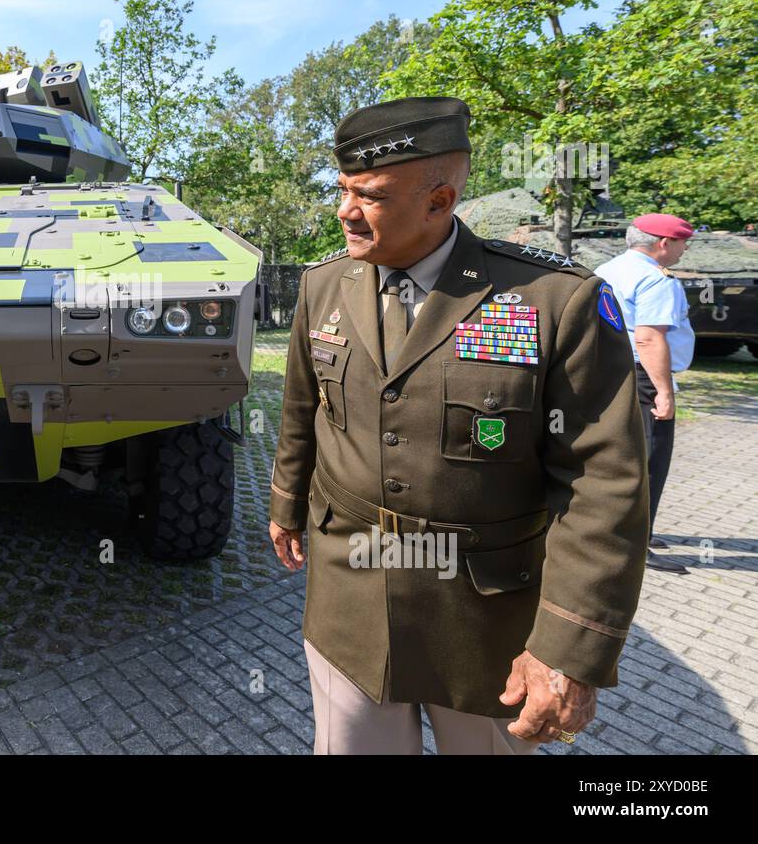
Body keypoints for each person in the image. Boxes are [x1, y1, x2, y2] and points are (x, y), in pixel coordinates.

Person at [267, 97, 650, 754]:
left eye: (370, 195)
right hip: (348, 602)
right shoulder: (323, 286)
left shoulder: (552, 302)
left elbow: (603, 484)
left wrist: (566, 647)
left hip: (484, 624)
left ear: (439, 201)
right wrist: (285, 504)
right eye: (343, 190)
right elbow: (304, 408)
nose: (344, 211)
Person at [594, 215, 696, 575]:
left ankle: (636, 532)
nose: (685, 250)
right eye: (684, 243)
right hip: (644, 377)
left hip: (612, 372)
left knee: (625, 457)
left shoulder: (608, 268)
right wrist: (664, 393)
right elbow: (649, 338)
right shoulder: (655, 278)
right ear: (664, 243)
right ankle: (634, 545)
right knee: (649, 462)